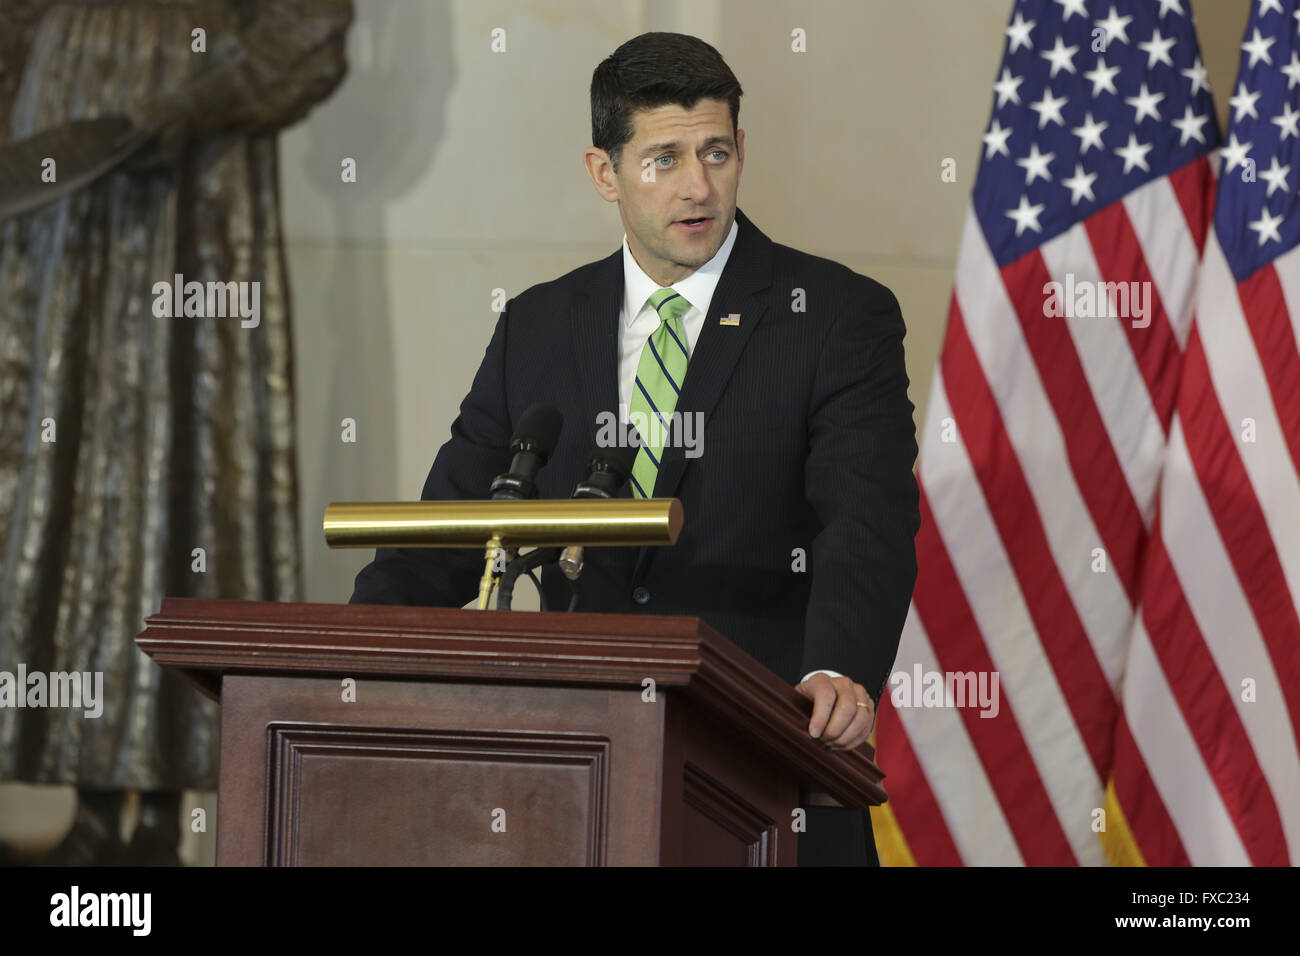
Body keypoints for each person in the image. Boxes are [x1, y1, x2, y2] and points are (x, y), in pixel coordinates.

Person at [350, 31, 920, 866]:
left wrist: (840, 667)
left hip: (762, 761)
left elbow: (866, 520)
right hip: (572, 774)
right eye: (663, 159)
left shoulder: (835, 317)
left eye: (716, 152)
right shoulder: (541, 325)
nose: (698, 186)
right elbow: (455, 525)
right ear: (604, 172)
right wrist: (354, 657)